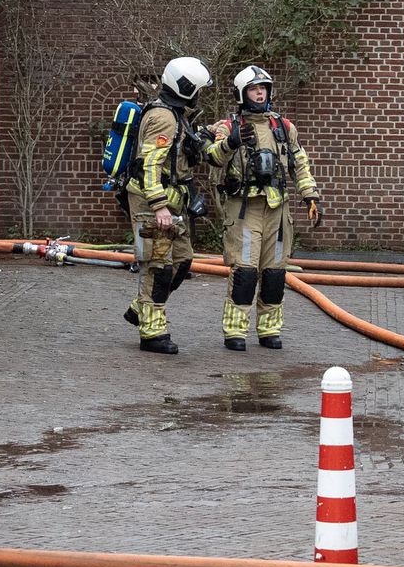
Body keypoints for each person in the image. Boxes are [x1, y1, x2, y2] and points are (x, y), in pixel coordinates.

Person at [207, 64, 321, 350]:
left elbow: (300, 163)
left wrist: (310, 196)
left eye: (263, 88)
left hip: (278, 211)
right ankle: (235, 331)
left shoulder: (283, 127)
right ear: (242, 93)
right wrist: (230, 143)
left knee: (274, 273)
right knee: (244, 272)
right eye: (254, 89)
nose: (260, 93)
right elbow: (212, 158)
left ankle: (269, 329)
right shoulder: (228, 127)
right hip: (245, 209)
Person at [123, 56, 214, 354]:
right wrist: (159, 206)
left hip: (172, 202)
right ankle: (152, 332)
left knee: (182, 260)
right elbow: (150, 166)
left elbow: (180, 155)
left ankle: (141, 308)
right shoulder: (163, 117)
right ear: (186, 87)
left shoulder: (177, 115)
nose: (200, 95)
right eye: (198, 89)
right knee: (157, 267)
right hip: (153, 202)